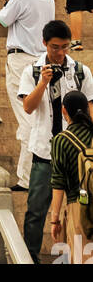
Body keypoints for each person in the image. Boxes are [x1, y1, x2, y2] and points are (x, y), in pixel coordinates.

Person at [19, 20, 93, 261]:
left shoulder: (81, 71)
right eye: (54, 47)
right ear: (44, 44)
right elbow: (28, 108)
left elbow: (90, 109)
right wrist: (43, 82)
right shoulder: (32, 70)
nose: (60, 53)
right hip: (44, 150)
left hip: (76, 154)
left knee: (81, 210)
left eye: (65, 47)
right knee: (36, 210)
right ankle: (30, 256)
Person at [0, 0, 56, 192]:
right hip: (40, 60)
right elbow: (24, 14)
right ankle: (35, 174)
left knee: (26, 119)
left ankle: (27, 178)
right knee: (36, 116)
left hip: (21, 61)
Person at [48, 91, 93, 263]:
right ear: (87, 109)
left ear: (64, 110)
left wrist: (55, 220)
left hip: (79, 205)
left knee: (83, 257)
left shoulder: (61, 140)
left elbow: (58, 184)